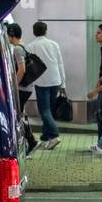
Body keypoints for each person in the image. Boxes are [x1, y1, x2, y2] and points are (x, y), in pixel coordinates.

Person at [25, 20, 65, 150]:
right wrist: (63, 83)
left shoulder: (30, 46)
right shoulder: (54, 44)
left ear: (34, 32)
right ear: (46, 31)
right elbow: (60, 64)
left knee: (45, 111)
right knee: (49, 110)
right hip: (55, 80)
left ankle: (54, 136)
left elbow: (29, 67)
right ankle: (45, 137)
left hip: (41, 81)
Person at [6, 23, 38, 155]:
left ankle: (31, 141)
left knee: (17, 116)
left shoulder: (17, 49)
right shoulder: (22, 47)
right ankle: (29, 141)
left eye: (7, 35)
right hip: (26, 88)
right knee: (19, 115)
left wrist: (13, 85)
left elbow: (22, 69)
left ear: (11, 36)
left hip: (21, 89)